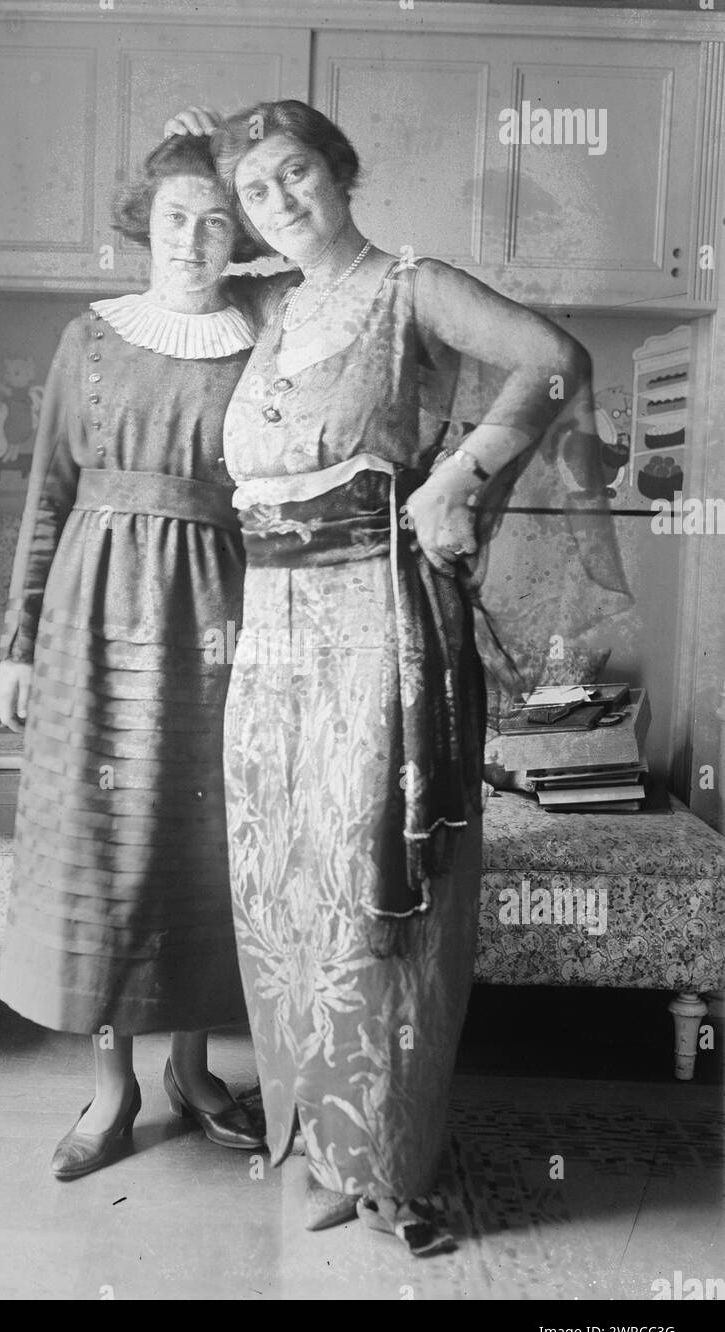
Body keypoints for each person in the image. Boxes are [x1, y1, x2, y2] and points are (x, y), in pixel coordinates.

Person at [165, 101, 631, 1252]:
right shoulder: (267, 304)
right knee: (285, 888)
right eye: (257, 190)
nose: (279, 201)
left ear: (342, 171)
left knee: (376, 886)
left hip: (376, 626)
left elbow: (555, 362)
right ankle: (323, 1146)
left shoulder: (410, 286)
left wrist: (460, 475)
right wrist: (188, 160)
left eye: (297, 174)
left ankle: (392, 1165)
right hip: (271, 638)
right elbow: (167, 256)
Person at [0, 134, 271, 1179]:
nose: (193, 239)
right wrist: (17, 640)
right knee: (103, 848)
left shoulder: (261, 340)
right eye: (173, 218)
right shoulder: (90, 337)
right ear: (141, 229)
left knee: (204, 850)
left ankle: (195, 1073)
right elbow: (47, 495)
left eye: (214, 221)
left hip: (219, 612)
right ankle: (110, 1091)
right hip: (93, 609)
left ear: (237, 237)